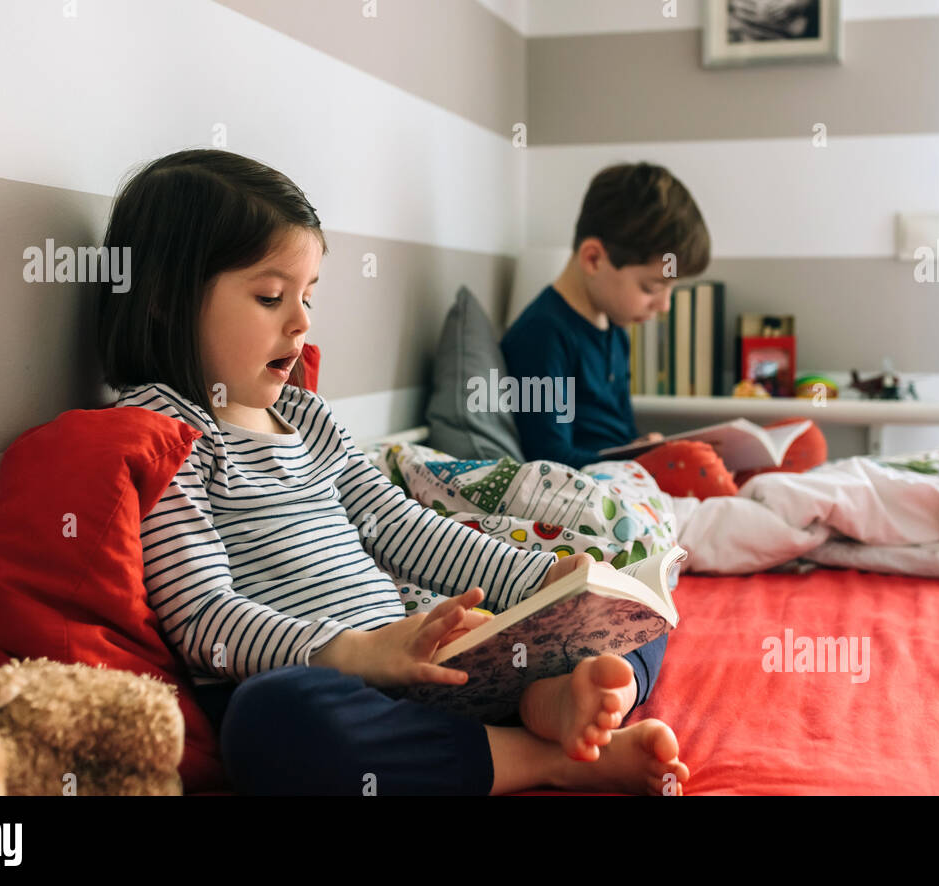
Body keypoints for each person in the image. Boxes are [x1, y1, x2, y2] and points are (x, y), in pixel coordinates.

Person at [93, 149, 689, 796]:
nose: (302, 322)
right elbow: (204, 618)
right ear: (162, 299)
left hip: (426, 668)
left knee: (638, 612)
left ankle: (568, 696)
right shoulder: (163, 435)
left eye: (308, 297)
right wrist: (360, 653)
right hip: (331, 685)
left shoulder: (306, 417)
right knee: (271, 723)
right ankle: (547, 753)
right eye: (270, 296)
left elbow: (406, 529)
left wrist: (543, 581)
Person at [500, 162, 711, 470]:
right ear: (594, 259)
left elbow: (618, 433)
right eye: (652, 287)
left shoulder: (615, 331)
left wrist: (642, 448)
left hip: (624, 482)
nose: (664, 306)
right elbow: (548, 459)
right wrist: (641, 461)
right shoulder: (543, 335)